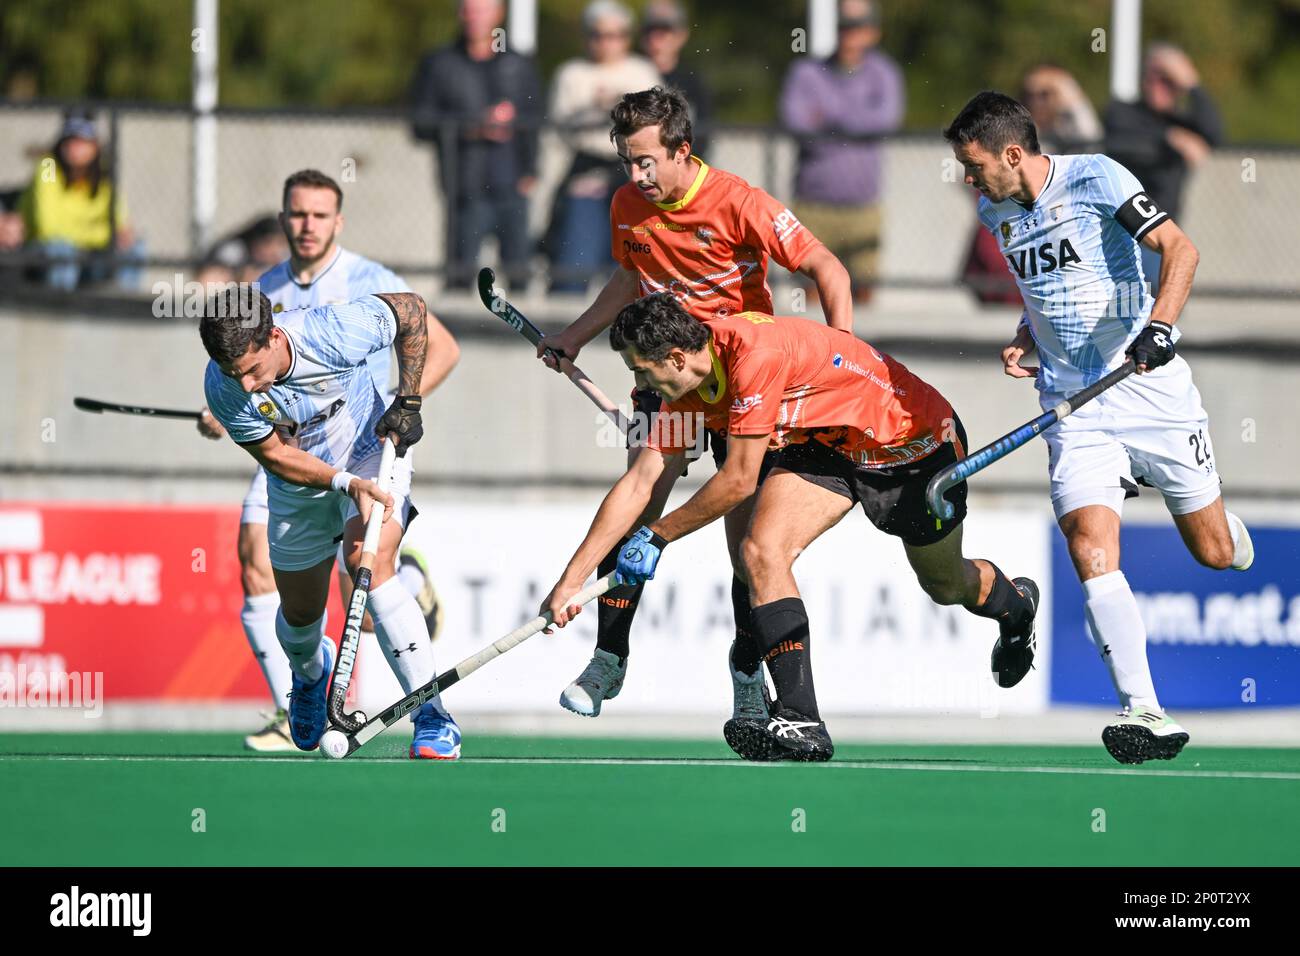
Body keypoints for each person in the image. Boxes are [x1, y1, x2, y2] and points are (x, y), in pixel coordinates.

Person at [540, 294, 1040, 761]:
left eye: (641, 371)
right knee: (760, 551)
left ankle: (1015, 610)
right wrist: (571, 582)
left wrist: (658, 535)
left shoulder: (751, 358)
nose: (641, 386)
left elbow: (736, 481)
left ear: (674, 357)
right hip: (829, 448)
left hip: (911, 446)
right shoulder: (686, 388)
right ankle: (802, 720)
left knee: (945, 584)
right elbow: (640, 483)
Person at [536, 86, 855, 755]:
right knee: (641, 492)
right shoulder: (629, 206)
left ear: (683, 150)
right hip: (671, 380)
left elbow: (827, 265)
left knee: (748, 541)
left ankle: (746, 675)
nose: (635, 177)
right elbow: (631, 278)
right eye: (626, 161)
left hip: (745, 383)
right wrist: (574, 334)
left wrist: (841, 352)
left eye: (647, 162)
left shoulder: (741, 201)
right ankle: (608, 659)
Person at [943, 90, 1253, 764]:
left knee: (1214, 553)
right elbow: (1045, 292)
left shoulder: (1098, 177)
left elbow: (1181, 250)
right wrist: (1027, 335)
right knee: (1088, 544)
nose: (968, 179)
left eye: (973, 165)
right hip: (1073, 406)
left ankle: (1227, 530)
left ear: (1013, 153)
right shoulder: (995, 210)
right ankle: (1146, 709)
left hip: (1149, 387)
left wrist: (1161, 329)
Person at [197, 169, 460, 752]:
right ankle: (309, 679)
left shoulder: (330, 329)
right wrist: (340, 483)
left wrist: (407, 402)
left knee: (370, 559)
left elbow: (413, 313)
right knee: (297, 620)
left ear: (272, 336)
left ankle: (434, 717)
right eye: (231, 373)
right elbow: (276, 458)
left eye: (251, 368)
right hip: (299, 478)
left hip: (368, 449)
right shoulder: (223, 384)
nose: (244, 383)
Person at [410, 0, 543, 288]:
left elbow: (536, 121)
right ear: (459, 13)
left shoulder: (518, 64)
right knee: (459, 275)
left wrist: (531, 170)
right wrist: (474, 127)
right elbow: (420, 124)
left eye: (482, 9)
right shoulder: (439, 64)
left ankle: (521, 334)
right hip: (464, 188)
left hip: (512, 185)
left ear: (499, 13)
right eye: (469, 9)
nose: (475, 17)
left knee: (519, 274)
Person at [778, 0, 903, 304]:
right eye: (844, 27)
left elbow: (886, 120)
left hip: (863, 208)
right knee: (810, 295)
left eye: (858, 27)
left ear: (873, 32)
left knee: (863, 296)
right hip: (813, 207)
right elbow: (796, 123)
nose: (850, 34)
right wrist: (854, 123)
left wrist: (829, 118)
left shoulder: (884, 74)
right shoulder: (806, 72)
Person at [545, 0, 660, 292]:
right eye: (599, 35)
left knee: (631, 264)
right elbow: (560, 126)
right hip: (586, 172)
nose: (607, 43)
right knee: (575, 259)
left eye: (615, 35)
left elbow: (656, 122)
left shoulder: (641, 71)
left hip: (631, 176)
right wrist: (594, 108)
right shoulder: (572, 74)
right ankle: (567, 330)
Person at [1104, 44, 1223, 293]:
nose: (1160, 86)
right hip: (1120, 230)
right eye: (1155, 77)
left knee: (1164, 299)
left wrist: (1192, 83)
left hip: (1162, 235)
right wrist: (1169, 139)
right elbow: (1120, 142)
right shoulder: (1123, 112)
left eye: (1168, 81)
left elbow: (1215, 135)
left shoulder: (1183, 122)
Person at [17, 111, 143, 291]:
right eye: (70, 139)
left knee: (135, 248)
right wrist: (105, 234)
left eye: (82, 140)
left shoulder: (104, 171)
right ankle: (60, 312)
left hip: (90, 254)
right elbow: (48, 229)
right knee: (62, 251)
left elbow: (121, 224)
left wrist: (119, 236)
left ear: (95, 145)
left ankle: (125, 311)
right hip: (42, 252)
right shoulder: (48, 166)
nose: (74, 147)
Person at [638, 1, 712, 156]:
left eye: (664, 30)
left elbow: (703, 135)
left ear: (681, 35)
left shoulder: (693, 83)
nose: (655, 39)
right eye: (650, 30)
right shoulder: (630, 77)